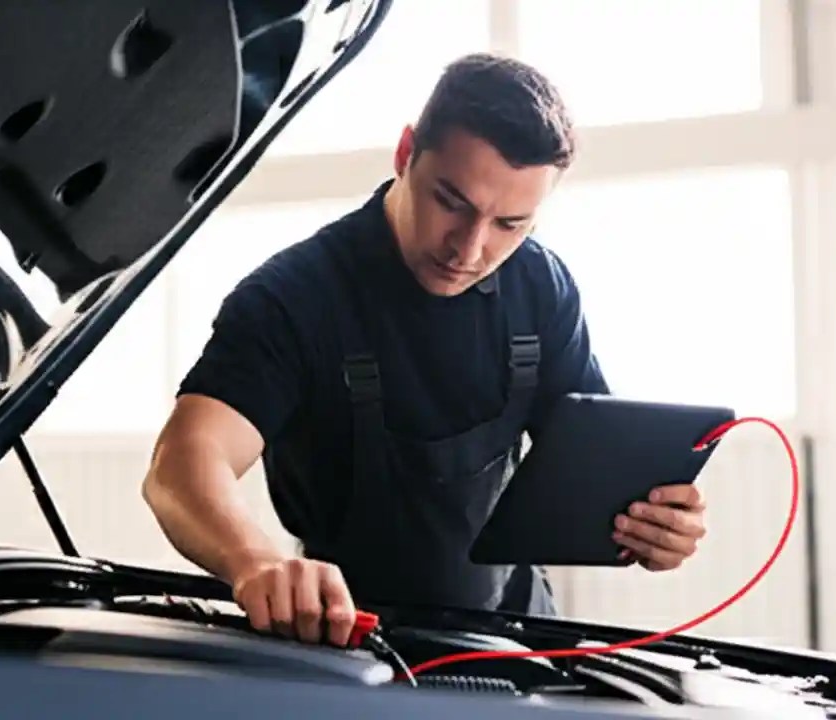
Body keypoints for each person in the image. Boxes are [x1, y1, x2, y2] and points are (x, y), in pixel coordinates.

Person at [141, 53, 708, 648]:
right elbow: (182, 461)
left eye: (510, 224)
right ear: (406, 151)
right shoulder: (294, 298)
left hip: (517, 642)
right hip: (349, 648)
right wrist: (254, 560)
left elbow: (600, 472)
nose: (470, 248)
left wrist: (656, 526)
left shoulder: (540, 287)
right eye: (452, 202)